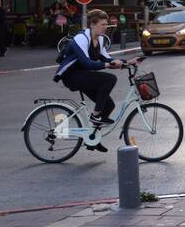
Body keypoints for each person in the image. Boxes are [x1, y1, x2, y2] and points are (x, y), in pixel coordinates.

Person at [54, 9, 130, 152]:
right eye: (103, 24)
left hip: (84, 75)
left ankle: (92, 139)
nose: (105, 27)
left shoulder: (100, 39)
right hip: (72, 76)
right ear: (93, 24)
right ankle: (95, 116)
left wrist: (127, 62)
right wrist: (108, 65)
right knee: (109, 79)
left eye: (106, 24)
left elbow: (106, 58)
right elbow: (86, 63)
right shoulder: (81, 38)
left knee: (108, 105)